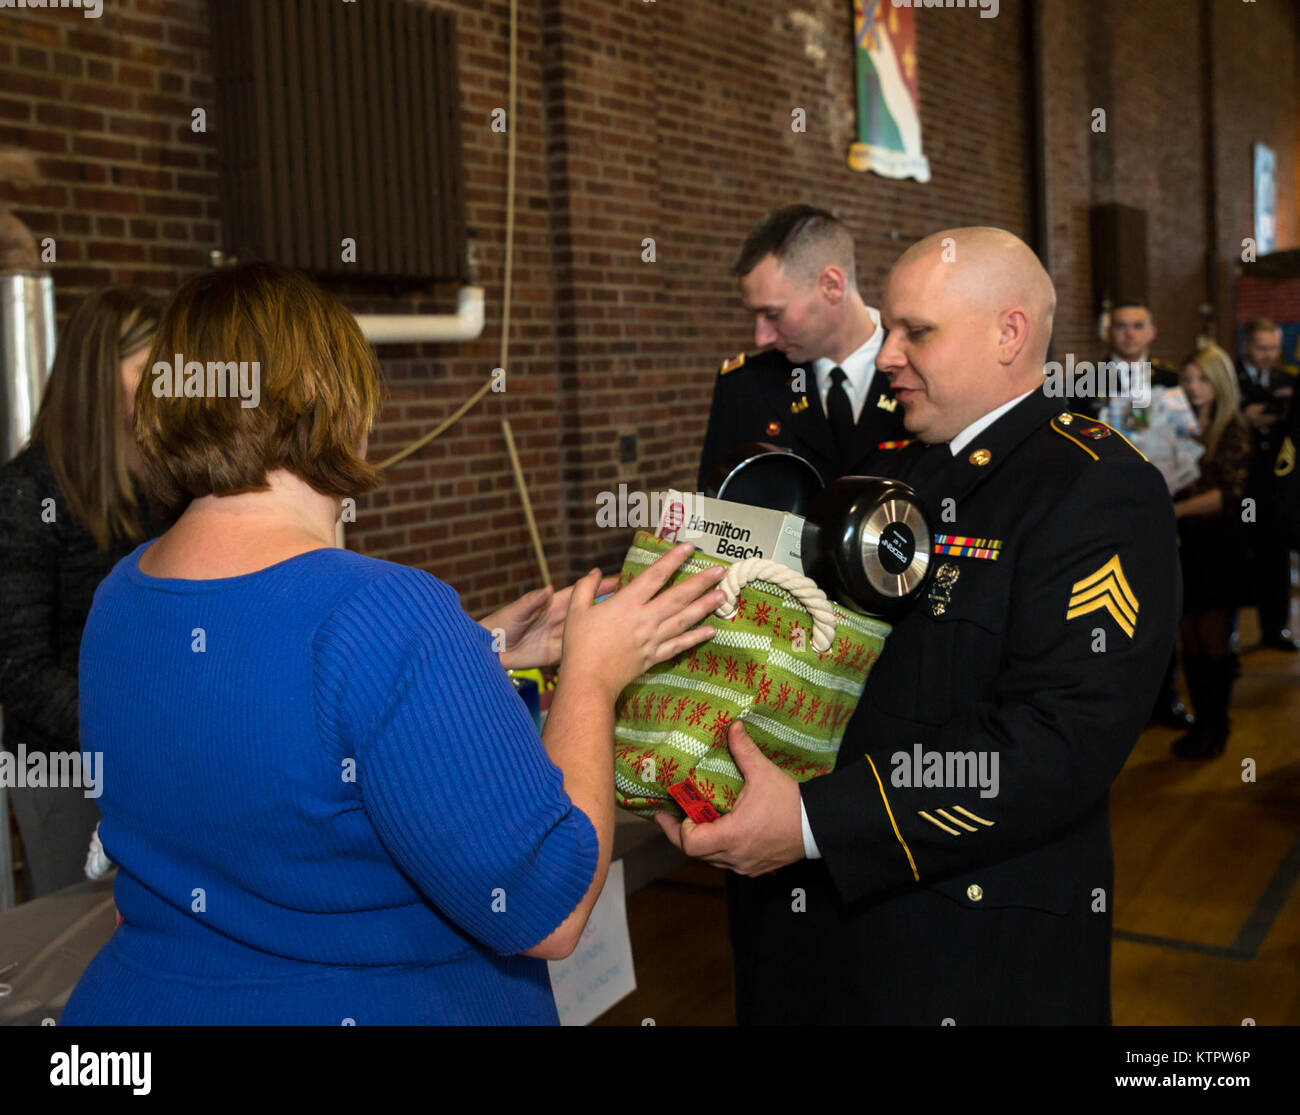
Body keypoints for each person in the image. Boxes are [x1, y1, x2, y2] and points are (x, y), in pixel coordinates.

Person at [61, 263, 727, 1025]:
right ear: (334, 399)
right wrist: (591, 675)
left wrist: (469, 654)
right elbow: (549, 906)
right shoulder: (384, 609)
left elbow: (262, 702)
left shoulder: (119, 595)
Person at [661, 227, 1180, 1024]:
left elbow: (1054, 747)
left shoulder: (1094, 488)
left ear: (1009, 333)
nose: (889, 353)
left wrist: (810, 822)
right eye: (891, 328)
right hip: (829, 935)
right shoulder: (894, 465)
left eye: (917, 331)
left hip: (970, 950)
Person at [0, 288, 163, 899]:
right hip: (61, 770)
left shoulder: (158, 486)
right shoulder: (27, 492)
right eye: (149, 371)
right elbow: (17, 666)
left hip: (140, 759)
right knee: (73, 947)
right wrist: (120, 725)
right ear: (100, 378)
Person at [697, 204, 907, 491]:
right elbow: (714, 515)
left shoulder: (918, 370)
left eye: (773, 314)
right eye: (755, 315)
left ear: (831, 285)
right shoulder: (745, 386)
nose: (761, 338)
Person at [1170, 343, 1251, 758]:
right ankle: (1201, 724)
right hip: (1184, 543)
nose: (1194, 387)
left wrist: (1175, 507)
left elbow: (1230, 495)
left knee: (1213, 639)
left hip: (1220, 546)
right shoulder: (1178, 426)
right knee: (1189, 638)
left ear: (1219, 382)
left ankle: (1217, 728)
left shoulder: (1233, 428)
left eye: (1202, 379)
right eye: (1187, 380)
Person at [1235, 317, 1298, 651]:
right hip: (1239, 484)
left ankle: (1275, 629)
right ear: (1246, 345)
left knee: (1276, 557)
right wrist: (1243, 418)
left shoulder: (1288, 379)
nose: (1268, 355)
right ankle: (1228, 630)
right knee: (1236, 555)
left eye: (1273, 348)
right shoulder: (1231, 377)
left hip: (1275, 485)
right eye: (1261, 347)